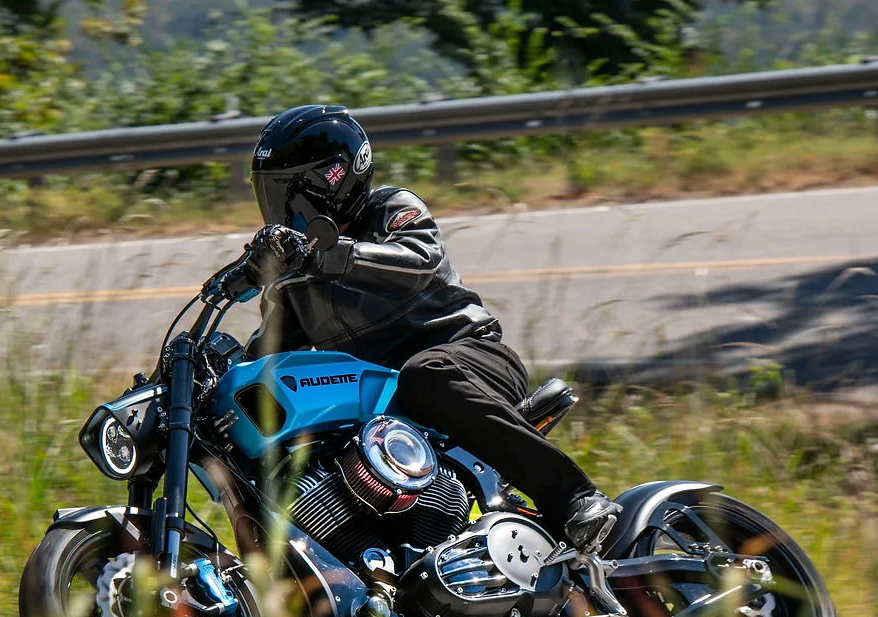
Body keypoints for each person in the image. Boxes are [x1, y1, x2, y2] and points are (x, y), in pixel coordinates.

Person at [239, 104, 620, 552]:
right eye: (272, 192)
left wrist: (331, 256)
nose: (283, 208)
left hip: (469, 359)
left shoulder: (390, 209)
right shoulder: (295, 280)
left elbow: (420, 260)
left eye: (292, 191)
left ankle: (576, 499)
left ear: (336, 179)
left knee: (425, 372)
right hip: (388, 402)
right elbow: (267, 356)